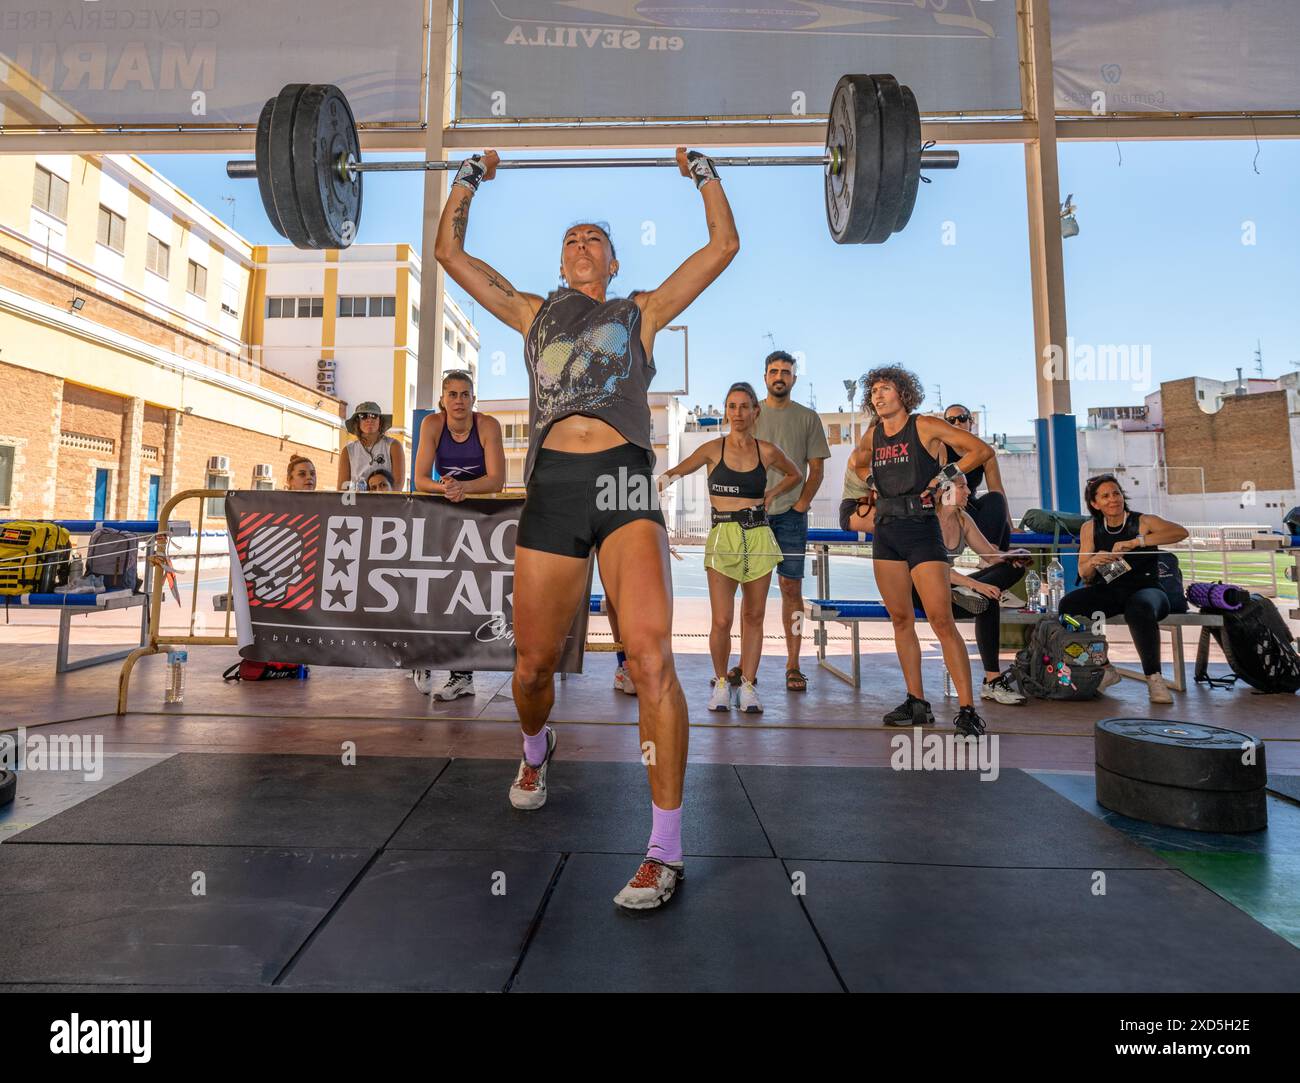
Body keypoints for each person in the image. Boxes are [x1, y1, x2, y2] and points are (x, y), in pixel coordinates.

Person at [434, 143, 739, 909]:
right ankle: (537, 749)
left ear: (610, 256)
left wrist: (702, 171)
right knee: (532, 668)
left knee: (651, 660)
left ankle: (664, 850)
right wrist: (469, 176)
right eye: (569, 237)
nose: (579, 245)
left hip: (624, 475)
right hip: (556, 486)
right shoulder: (534, 313)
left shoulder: (640, 310)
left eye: (592, 237)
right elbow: (449, 252)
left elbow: (723, 246)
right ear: (560, 259)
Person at [861, 365, 995, 736]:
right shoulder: (872, 435)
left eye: (885, 388)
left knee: (940, 620)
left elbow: (980, 450)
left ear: (903, 393)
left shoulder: (925, 426)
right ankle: (916, 702)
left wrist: (944, 476)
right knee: (901, 620)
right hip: (886, 530)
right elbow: (858, 464)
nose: (877, 395)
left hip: (921, 529)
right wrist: (872, 481)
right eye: (873, 390)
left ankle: (967, 709)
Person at [659, 382, 800, 715]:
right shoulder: (712, 449)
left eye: (744, 407)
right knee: (722, 619)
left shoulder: (766, 451)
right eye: (732, 406)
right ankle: (721, 683)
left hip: (759, 536)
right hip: (723, 536)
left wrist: (771, 494)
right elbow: (674, 473)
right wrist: (639, 492)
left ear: (755, 412)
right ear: (726, 411)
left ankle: (748, 687)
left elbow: (795, 474)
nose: (738, 413)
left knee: (754, 616)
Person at [412, 369, 506, 701]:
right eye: (452, 394)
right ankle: (423, 658)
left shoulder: (488, 426)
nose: (459, 401)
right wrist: (446, 488)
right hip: (447, 513)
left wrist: (462, 487)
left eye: (465, 394)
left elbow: (497, 480)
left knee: (468, 594)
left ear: (473, 400)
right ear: (442, 399)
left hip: (481, 520)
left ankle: (461, 675)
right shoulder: (432, 425)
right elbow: (421, 478)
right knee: (432, 588)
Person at [1059, 474, 1189, 704]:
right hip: (1111, 590)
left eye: (1116, 493)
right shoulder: (1090, 528)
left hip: (1147, 589)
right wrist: (1094, 560)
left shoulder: (1142, 521)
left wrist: (1137, 542)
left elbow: (1180, 532)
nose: (1113, 500)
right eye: (1105, 496)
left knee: (1139, 609)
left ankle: (1154, 678)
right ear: (1095, 503)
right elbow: (1084, 573)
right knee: (1068, 606)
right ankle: (1104, 666)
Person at [751, 350, 830, 694]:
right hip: (753, 517)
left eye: (786, 371)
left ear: (794, 378)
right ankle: (747, 666)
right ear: (765, 376)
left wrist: (801, 505)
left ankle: (793, 664)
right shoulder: (751, 415)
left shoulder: (808, 418)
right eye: (773, 371)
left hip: (790, 519)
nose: (779, 376)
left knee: (791, 590)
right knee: (751, 591)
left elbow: (817, 468)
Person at [942, 403, 1012, 550]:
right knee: (1002, 531)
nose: (957, 423)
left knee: (996, 500)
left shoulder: (984, 451)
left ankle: (990, 557)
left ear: (970, 422)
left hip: (970, 505)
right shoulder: (940, 449)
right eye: (951, 420)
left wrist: (1011, 524)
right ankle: (992, 557)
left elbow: (997, 489)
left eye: (962, 418)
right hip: (949, 508)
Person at [338, 402, 405, 492]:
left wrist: (388, 503)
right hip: (358, 503)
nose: (369, 419)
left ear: (380, 421)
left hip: (385, 502)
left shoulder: (394, 446)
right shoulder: (348, 451)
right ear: (357, 422)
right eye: (363, 416)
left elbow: (398, 484)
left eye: (374, 415)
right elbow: (342, 488)